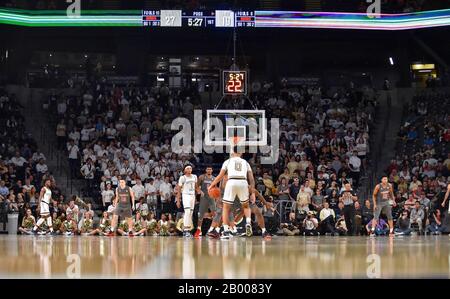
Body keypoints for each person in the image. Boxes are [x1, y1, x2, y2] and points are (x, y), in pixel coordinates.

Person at [208, 150, 255, 240]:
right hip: (243, 181)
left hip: (232, 181)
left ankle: (225, 231)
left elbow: (220, 176)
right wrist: (252, 193)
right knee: (246, 206)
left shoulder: (228, 161)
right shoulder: (246, 163)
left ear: (233, 153)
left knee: (226, 208)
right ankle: (248, 223)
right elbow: (252, 179)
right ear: (241, 153)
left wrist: (211, 185)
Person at [176, 165, 199, 238]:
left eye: (190, 168)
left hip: (192, 195)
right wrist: (178, 200)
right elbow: (179, 190)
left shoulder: (195, 176)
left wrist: (196, 196)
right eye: (188, 168)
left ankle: (188, 229)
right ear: (184, 170)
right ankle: (185, 230)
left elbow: (196, 187)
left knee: (191, 213)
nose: (189, 169)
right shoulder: (182, 178)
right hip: (185, 195)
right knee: (187, 212)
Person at [194, 166, 216, 238]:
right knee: (201, 214)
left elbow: (215, 188)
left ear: (212, 170)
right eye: (208, 169)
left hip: (211, 198)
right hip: (203, 198)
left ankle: (212, 230)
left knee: (215, 214)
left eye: (210, 169)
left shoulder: (214, 178)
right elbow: (196, 186)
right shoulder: (201, 177)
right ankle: (199, 229)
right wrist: (200, 191)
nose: (209, 170)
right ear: (206, 170)